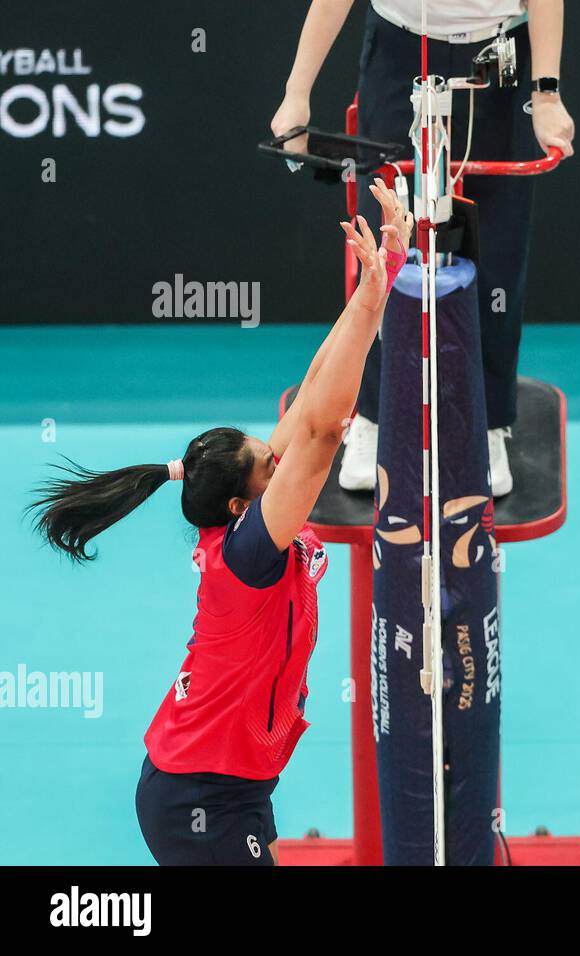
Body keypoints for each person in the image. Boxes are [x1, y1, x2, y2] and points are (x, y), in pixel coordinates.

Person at [28, 182, 412, 865]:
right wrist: (376, 299)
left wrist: (370, 289)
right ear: (242, 505)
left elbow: (312, 387)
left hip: (224, 782)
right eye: (269, 464)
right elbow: (324, 431)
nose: (279, 455)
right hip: (198, 796)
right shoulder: (250, 555)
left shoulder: (245, 519)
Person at [271, 0, 576, 497]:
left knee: (494, 251)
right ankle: (372, 415)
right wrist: (296, 94)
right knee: (383, 247)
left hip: (498, 58)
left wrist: (545, 94)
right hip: (401, 49)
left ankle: (488, 422)